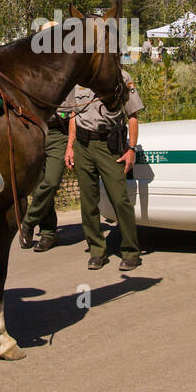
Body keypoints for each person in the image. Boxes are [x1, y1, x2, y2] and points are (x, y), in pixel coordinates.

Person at [67, 68, 144, 271]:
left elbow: (133, 115)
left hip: (109, 146)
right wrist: (70, 146)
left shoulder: (121, 76)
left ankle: (130, 251)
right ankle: (96, 251)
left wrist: (132, 149)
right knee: (88, 202)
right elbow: (74, 114)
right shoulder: (79, 76)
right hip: (83, 146)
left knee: (119, 199)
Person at [21, 82, 72, 251]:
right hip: (35, 132)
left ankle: (28, 221)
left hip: (58, 133)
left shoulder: (69, 80)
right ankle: (48, 233)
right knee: (38, 187)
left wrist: (72, 144)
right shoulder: (35, 77)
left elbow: (74, 114)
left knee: (51, 181)